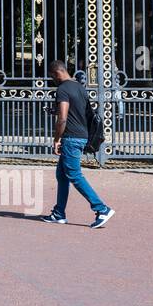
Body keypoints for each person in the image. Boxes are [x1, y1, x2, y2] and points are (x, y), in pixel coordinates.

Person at [41, 60, 115, 228]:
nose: (53, 80)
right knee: (62, 175)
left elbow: (63, 118)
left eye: (52, 77)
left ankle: (101, 208)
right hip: (81, 135)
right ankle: (59, 213)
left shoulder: (62, 89)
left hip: (70, 138)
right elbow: (81, 112)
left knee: (74, 175)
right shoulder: (80, 88)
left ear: (56, 73)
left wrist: (56, 139)